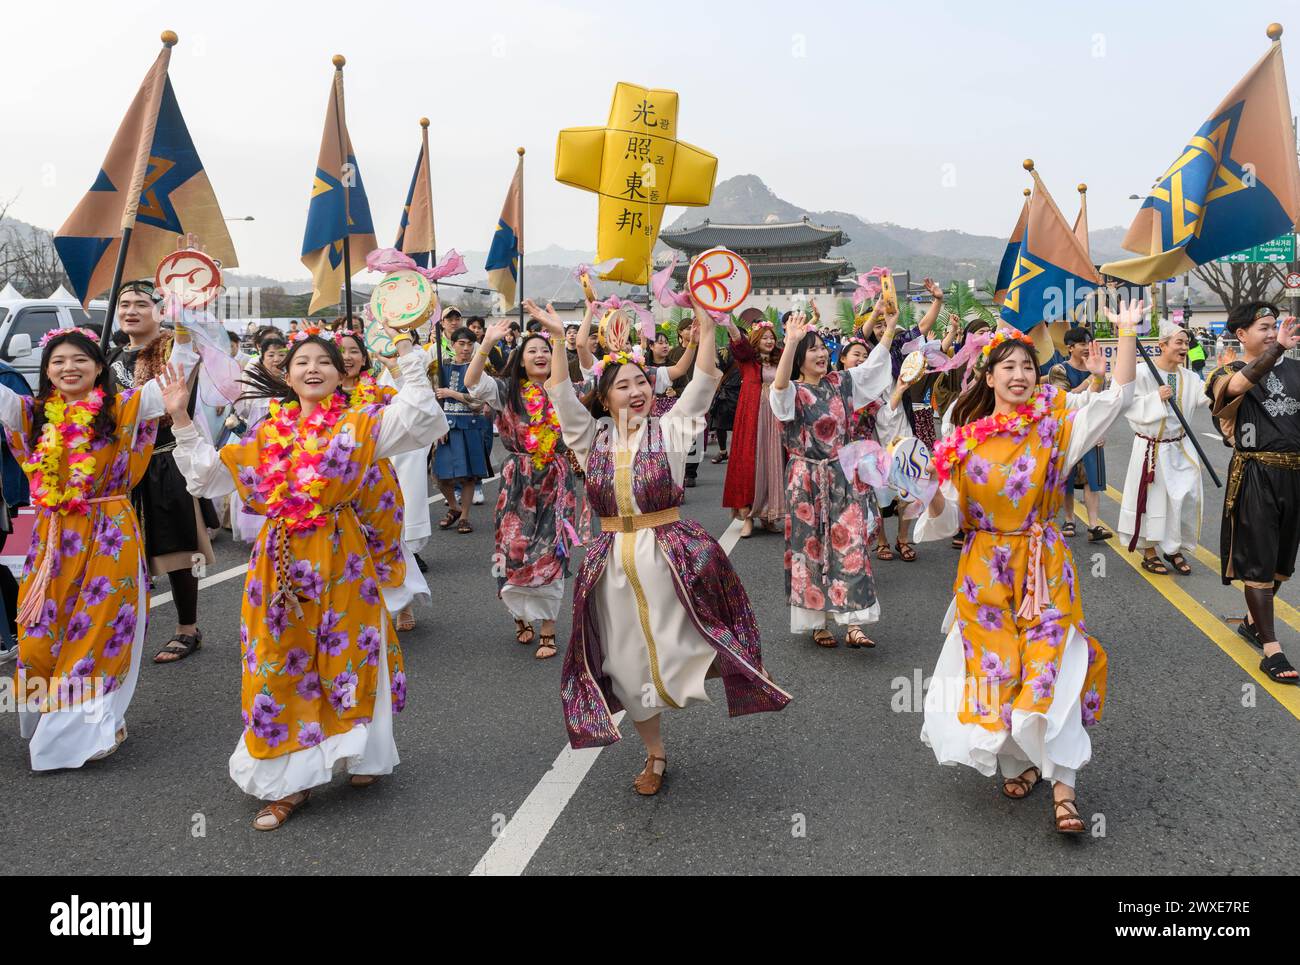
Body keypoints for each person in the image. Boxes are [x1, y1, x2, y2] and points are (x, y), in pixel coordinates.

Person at [168, 324, 447, 829]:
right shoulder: (265, 435)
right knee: (277, 663)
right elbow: (208, 477)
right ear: (288, 375)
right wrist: (181, 416)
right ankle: (287, 783)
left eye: (324, 361)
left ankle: (361, 752)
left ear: (341, 375)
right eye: (302, 362)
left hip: (342, 560)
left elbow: (422, 418)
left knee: (347, 657)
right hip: (278, 567)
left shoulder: (361, 426)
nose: (312, 368)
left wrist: (406, 351)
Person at [533, 296, 791, 794]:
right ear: (605, 398)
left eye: (640, 383)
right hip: (610, 568)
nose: (635, 392)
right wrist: (560, 342)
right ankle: (655, 754)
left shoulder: (671, 430)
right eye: (622, 386)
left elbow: (702, 384)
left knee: (684, 646)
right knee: (627, 668)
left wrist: (710, 327)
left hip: (670, 560)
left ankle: (724, 663)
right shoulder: (592, 440)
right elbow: (563, 397)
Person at [915, 305, 1139, 834]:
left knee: (1051, 670)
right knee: (1001, 670)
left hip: (1044, 571)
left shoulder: (1056, 428)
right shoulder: (962, 437)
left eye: (1029, 367)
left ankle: (1065, 788)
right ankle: (1022, 763)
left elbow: (1118, 399)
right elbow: (945, 520)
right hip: (983, 574)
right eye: (1009, 367)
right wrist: (927, 498)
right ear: (988, 377)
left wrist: (1127, 333)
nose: (1020, 375)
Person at [3, 324, 195, 769]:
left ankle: (93, 728)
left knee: (97, 634)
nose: (69, 368)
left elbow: (176, 376)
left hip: (109, 536)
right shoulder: (31, 414)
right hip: (52, 541)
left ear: (99, 367)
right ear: (46, 370)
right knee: (36, 641)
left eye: (80, 360)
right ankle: (53, 716)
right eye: (58, 361)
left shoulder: (124, 407)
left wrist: (188, 324)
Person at [771, 306, 897, 648]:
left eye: (823, 348)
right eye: (812, 349)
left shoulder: (842, 383)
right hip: (805, 478)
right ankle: (818, 621)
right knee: (810, 547)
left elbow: (873, 369)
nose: (822, 354)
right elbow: (778, 389)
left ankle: (855, 623)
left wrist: (890, 328)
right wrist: (790, 342)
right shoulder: (792, 392)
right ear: (798, 358)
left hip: (842, 474)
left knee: (851, 543)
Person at [105, 282, 216, 665]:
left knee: (179, 547)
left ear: (158, 309)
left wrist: (188, 293)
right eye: (123, 304)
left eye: (140, 303)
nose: (130, 310)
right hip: (119, 464)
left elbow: (185, 367)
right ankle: (124, 628)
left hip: (165, 457)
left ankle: (188, 628)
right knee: (120, 550)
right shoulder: (109, 354)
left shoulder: (173, 349)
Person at [465, 316, 579, 658]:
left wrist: (564, 339)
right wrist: (486, 343)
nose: (540, 355)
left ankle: (548, 626)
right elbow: (473, 382)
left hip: (556, 481)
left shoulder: (564, 393)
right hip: (518, 482)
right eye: (532, 350)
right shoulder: (505, 392)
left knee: (552, 551)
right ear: (521, 359)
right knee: (513, 550)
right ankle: (519, 613)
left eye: (546, 349)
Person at [1206, 302, 1300, 685]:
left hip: (1294, 477)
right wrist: (1276, 348)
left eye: (1274, 326)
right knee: (1258, 564)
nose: (1271, 332)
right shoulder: (1223, 373)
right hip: (1256, 474)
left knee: (1281, 565)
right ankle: (1272, 650)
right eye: (1264, 327)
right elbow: (1238, 388)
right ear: (1241, 335)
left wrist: (1280, 353)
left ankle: (1250, 623)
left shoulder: (1295, 369)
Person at [337, 327, 431, 634]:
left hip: (375, 480)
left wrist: (396, 368)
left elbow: (411, 404)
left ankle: (402, 601)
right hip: (335, 484)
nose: (347, 357)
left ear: (364, 357)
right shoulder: (319, 394)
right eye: (340, 351)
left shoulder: (376, 390)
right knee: (347, 548)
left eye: (353, 350)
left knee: (385, 542)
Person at [1116, 321, 1207, 575]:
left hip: (1180, 448)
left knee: (1182, 498)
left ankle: (1173, 547)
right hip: (1150, 449)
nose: (1184, 347)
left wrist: (1227, 375)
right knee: (1151, 501)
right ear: (1162, 346)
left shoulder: (1188, 377)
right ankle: (1149, 551)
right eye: (1179, 342)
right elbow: (1126, 404)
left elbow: (1208, 396)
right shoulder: (1142, 372)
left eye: (1186, 343)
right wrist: (1155, 398)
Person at [721, 315, 786, 538]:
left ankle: (768, 516)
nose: (769, 341)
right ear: (756, 339)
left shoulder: (780, 360)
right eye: (765, 337)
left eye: (772, 337)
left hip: (775, 418)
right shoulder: (748, 360)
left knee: (772, 463)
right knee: (750, 463)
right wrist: (729, 323)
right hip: (752, 417)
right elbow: (739, 343)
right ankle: (747, 516)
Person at [1046, 327, 1113, 543]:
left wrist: (1102, 429)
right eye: (1082, 344)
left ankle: (1094, 524)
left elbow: (1106, 404)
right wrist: (1090, 380)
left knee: (1092, 478)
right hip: (1067, 429)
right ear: (1070, 347)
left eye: (1089, 343)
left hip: (1093, 429)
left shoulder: (1099, 370)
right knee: (1067, 476)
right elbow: (1063, 399)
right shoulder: (1059, 370)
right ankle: (1069, 519)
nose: (1087, 348)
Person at [432, 327, 490, 534]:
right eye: (461, 343)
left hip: (470, 426)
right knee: (440, 476)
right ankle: (454, 508)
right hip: (446, 427)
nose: (465, 348)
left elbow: (479, 402)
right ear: (452, 344)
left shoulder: (480, 369)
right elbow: (434, 399)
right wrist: (438, 425)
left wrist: (452, 393)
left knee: (468, 476)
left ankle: (464, 516)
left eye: (469, 344)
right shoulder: (439, 368)